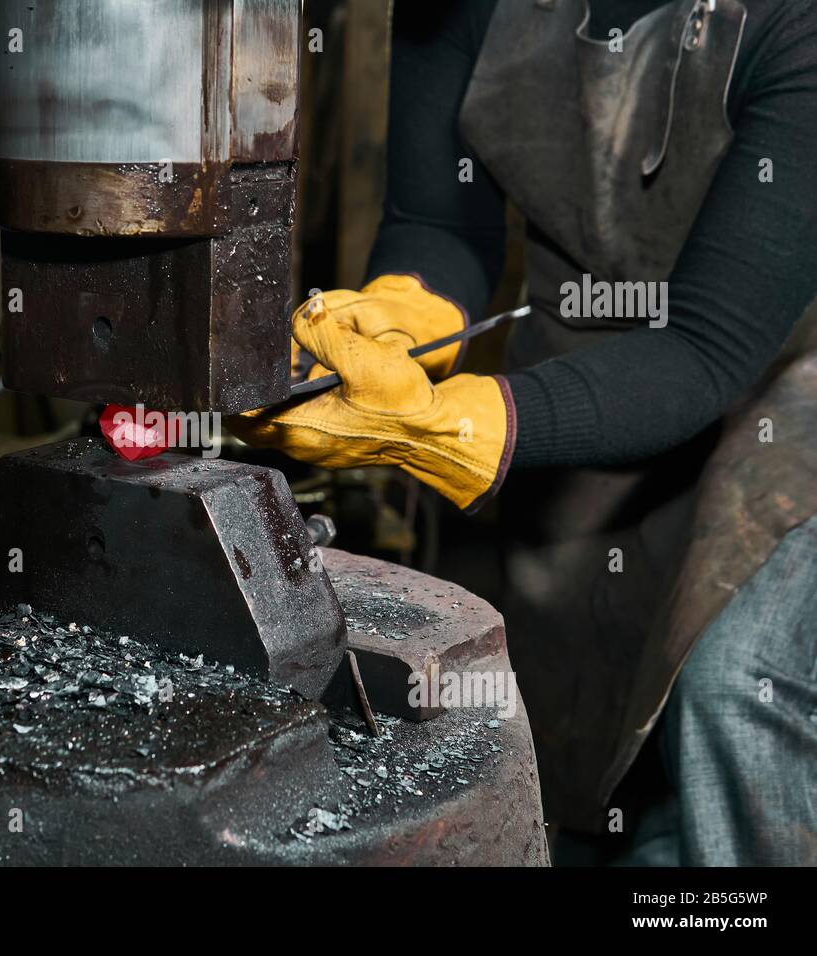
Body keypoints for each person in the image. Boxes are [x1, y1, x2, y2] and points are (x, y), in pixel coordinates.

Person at [230, 0, 817, 865]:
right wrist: (399, 316)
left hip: (771, 381)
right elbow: (440, 224)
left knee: (733, 695)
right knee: (546, 708)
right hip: (564, 365)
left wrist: (444, 429)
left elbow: (706, 347)